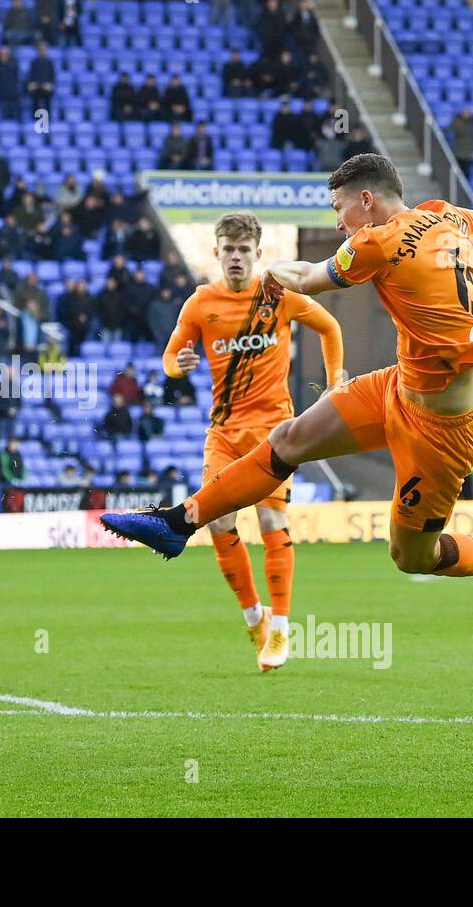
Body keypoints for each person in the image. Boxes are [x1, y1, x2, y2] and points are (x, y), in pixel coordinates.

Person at [102, 153, 473, 607]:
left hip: (442, 431)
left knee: (411, 556)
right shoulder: (446, 217)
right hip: (396, 388)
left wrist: (264, 272)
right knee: (290, 438)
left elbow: (306, 279)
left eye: (338, 209)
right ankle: (179, 522)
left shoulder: (378, 242)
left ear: (365, 201)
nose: (339, 223)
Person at [157, 212, 344, 671]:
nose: (236, 257)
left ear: (258, 253)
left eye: (244, 249)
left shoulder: (277, 296)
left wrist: (336, 379)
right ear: (216, 253)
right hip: (223, 432)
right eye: (228, 249)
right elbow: (169, 359)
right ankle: (254, 617)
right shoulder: (201, 304)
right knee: (217, 525)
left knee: (270, 520)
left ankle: (280, 628)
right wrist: (180, 364)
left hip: (273, 430)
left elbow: (330, 328)